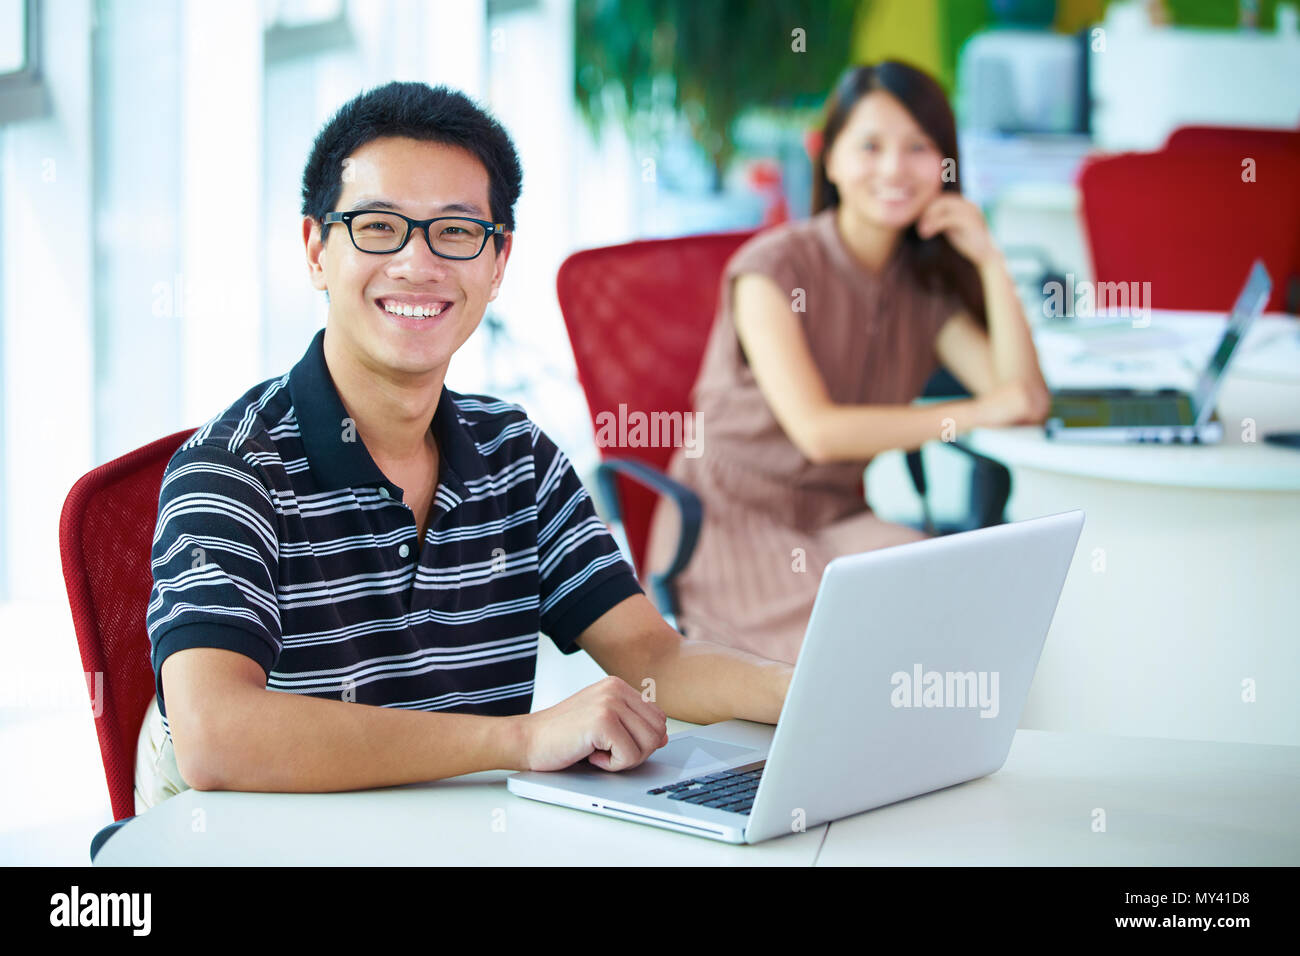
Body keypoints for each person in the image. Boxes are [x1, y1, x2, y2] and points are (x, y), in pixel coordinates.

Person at [136, 82, 792, 810]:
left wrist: (805, 688)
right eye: (378, 227)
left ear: (497, 263)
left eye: (455, 232)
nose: (418, 264)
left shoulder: (517, 455)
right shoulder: (232, 470)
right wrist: (518, 740)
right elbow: (215, 734)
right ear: (316, 249)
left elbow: (653, 656)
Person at [644, 61, 1051, 666]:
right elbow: (820, 432)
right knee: (865, 653)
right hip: (732, 527)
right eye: (870, 146)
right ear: (830, 159)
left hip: (836, 518)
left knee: (953, 604)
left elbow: (1027, 400)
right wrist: (979, 412)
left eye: (918, 147)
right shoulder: (773, 269)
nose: (893, 168)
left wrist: (990, 259)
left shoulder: (924, 290)